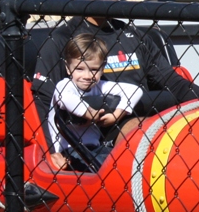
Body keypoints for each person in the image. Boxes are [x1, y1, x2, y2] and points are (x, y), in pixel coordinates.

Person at [31, 0, 199, 144]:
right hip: (94, 141)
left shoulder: (136, 37)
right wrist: (49, 154)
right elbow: (43, 102)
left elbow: (175, 84)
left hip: (152, 126)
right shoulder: (61, 39)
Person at [47, 33, 143, 171]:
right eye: (79, 69)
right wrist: (89, 113)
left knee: (122, 161)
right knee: (107, 168)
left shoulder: (100, 86)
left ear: (102, 69)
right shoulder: (66, 85)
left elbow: (135, 90)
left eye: (93, 70)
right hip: (68, 150)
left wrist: (117, 115)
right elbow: (66, 99)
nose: (87, 76)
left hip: (96, 147)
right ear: (68, 68)